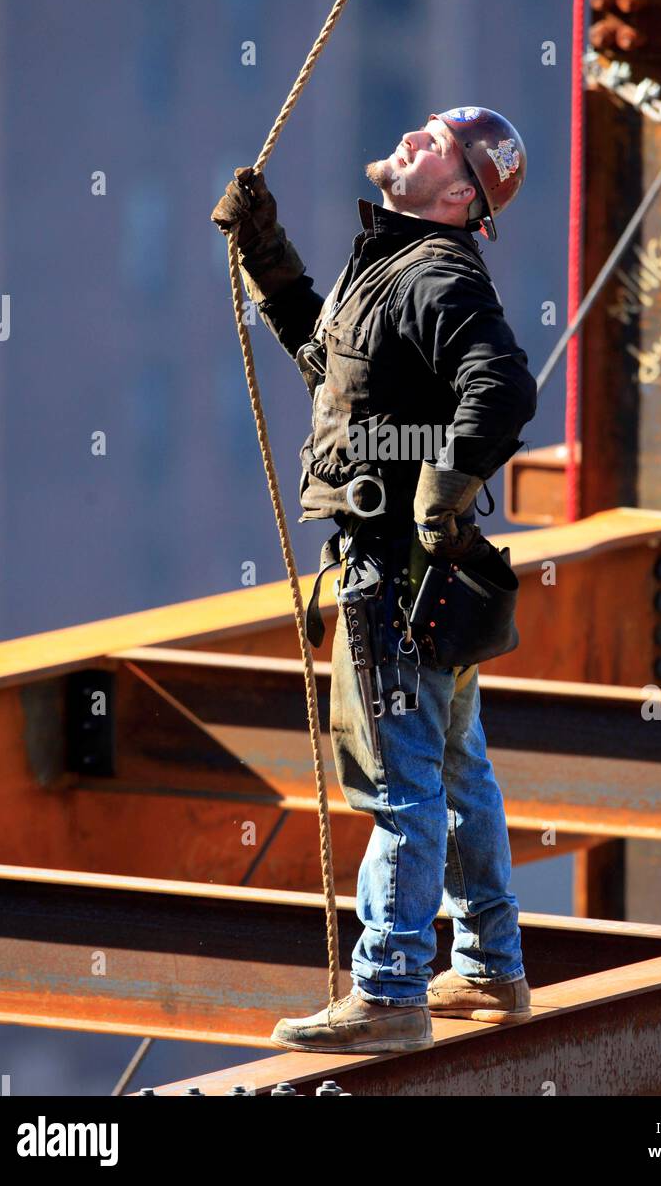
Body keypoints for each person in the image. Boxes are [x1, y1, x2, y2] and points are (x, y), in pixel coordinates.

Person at [211, 106, 537, 1052]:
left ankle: (391, 989)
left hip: (394, 574)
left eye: (436, 142)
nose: (414, 136)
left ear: (457, 194)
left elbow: (503, 384)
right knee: (457, 766)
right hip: (420, 574)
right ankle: (487, 969)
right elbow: (331, 358)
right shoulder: (393, 266)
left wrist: (438, 496)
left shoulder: (434, 272)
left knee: (398, 784)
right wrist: (265, 252)